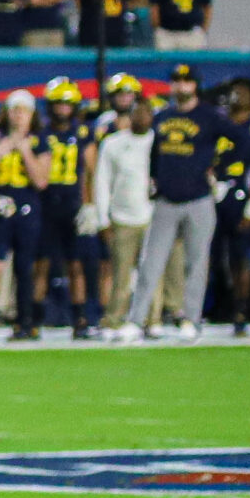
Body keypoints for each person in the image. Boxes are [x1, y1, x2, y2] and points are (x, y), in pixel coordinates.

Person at [124, 70, 231, 339]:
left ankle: (191, 320)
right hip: (166, 200)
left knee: (196, 264)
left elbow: (240, 139)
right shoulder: (163, 117)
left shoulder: (209, 116)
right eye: (177, 81)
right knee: (151, 263)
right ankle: (136, 321)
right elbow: (154, 152)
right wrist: (154, 178)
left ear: (194, 85)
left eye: (186, 81)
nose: (181, 85)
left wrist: (223, 171)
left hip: (199, 198)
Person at [0, 91, 51, 338]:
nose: (18, 116)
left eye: (23, 111)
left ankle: (24, 320)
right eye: (14, 110)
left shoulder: (39, 141)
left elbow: (41, 181)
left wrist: (25, 152)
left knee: (24, 267)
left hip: (27, 209)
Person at [33, 78, 103, 338]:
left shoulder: (83, 134)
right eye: (58, 103)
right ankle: (35, 318)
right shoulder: (41, 134)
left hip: (73, 204)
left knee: (76, 265)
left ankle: (80, 318)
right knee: (41, 264)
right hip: (47, 203)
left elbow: (91, 172)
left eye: (67, 103)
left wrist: (91, 205)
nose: (63, 108)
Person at [209, 78, 250, 336]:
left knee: (240, 257)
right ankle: (213, 306)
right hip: (213, 194)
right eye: (234, 91)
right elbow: (205, 156)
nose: (237, 95)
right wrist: (210, 182)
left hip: (240, 195)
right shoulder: (217, 124)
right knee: (209, 257)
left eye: (242, 92)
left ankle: (241, 309)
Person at [92, 92, 155, 332]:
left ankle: (151, 319)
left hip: (151, 217)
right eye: (136, 112)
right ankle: (114, 319)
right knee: (120, 274)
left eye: (145, 112)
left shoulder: (158, 142)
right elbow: (102, 181)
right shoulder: (114, 143)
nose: (141, 116)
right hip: (122, 218)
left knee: (152, 274)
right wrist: (102, 218)